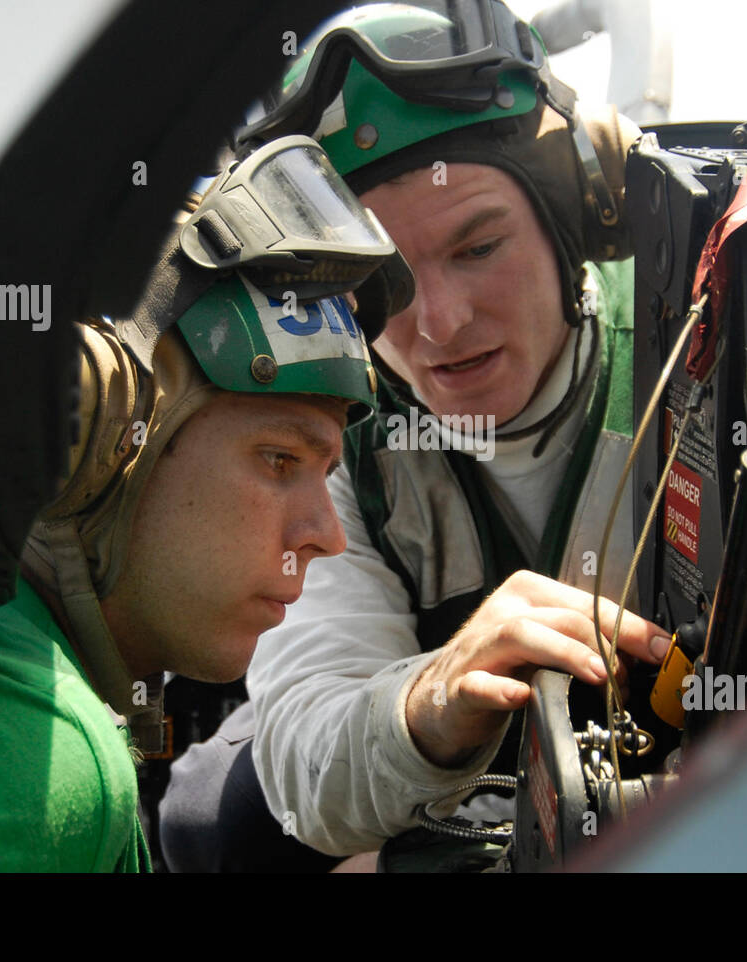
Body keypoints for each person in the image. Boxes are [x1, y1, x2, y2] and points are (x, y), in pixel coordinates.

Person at [0, 136, 406, 871]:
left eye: (327, 470)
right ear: (98, 438)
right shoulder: (25, 747)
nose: (327, 536)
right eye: (279, 460)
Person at [159, 0, 670, 871]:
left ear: (572, 224)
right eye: (387, 277)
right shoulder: (338, 433)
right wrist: (438, 698)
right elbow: (307, 766)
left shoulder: (687, 356)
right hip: (443, 782)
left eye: (479, 247)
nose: (439, 324)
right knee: (212, 824)